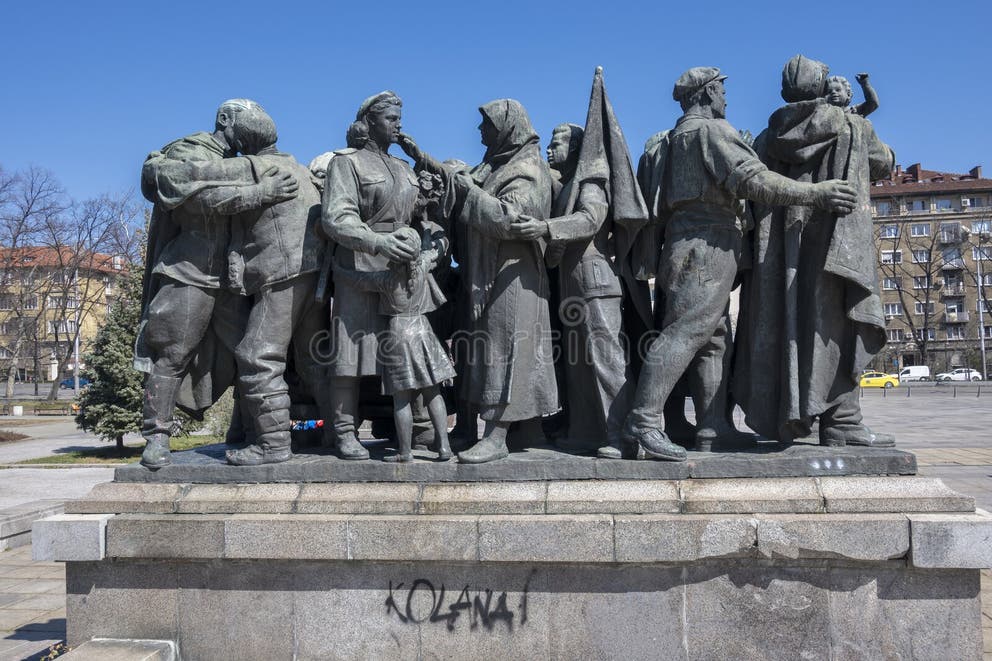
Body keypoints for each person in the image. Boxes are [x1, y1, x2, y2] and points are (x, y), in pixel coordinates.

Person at [622, 67, 858, 461]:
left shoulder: (674, 137)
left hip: (695, 242)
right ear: (707, 92)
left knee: (713, 340)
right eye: (721, 90)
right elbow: (755, 180)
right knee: (685, 334)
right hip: (706, 242)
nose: (726, 99)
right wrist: (815, 193)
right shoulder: (710, 132)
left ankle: (714, 427)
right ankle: (643, 424)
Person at [733, 55, 896, 447]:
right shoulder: (852, 127)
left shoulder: (764, 139)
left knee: (780, 325)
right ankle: (842, 421)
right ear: (823, 88)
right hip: (833, 246)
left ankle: (781, 416)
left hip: (778, 252)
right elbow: (883, 163)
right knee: (834, 325)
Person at [135, 99, 298, 468]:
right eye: (247, 124)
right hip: (191, 268)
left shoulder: (247, 161)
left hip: (233, 275)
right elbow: (193, 199)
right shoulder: (190, 150)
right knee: (173, 354)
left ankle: (249, 433)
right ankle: (156, 436)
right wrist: (258, 193)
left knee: (250, 354)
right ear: (225, 120)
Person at [399, 99, 558, 464]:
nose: (479, 131)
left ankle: (497, 436)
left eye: (486, 124)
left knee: (508, 350)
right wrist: (422, 157)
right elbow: (462, 183)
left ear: (506, 128)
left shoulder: (528, 168)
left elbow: (512, 217)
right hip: (491, 271)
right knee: (492, 349)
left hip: (514, 274)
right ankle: (527, 429)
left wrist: (465, 189)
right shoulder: (495, 165)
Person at [511, 68, 650, 459]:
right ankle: (587, 430)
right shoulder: (564, 185)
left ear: (578, 147)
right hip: (571, 283)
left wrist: (544, 226)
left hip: (594, 280)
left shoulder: (590, 182)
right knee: (577, 365)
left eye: (558, 142)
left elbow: (589, 220)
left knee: (606, 360)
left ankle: (622, 434)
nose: (551, 149)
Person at [321, 91, 444, 460]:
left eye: (399, 118)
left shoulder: (405, 168)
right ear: (369, 122)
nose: (398, 124)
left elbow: (422, 221)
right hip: (359, 265)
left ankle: (419, 429)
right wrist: (377, 242)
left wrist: (431, 249)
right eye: (390, 118)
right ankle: (344, 431)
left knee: (409, 352)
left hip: (402, 273)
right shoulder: (347, 163)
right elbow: (336, 218)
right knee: (351, 353)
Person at [216, 106, 329, 465]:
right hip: (313, 277)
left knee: (257, 356)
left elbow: (211, 195)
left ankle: (274, 444)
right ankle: (340, 433)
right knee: (314, 361)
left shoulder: (252, 168)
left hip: (282, 275)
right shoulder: (298, 167)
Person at [333, 226, 455, 462]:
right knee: (433, 392)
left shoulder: (386, 279)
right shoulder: (423, 264)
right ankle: (444, 448)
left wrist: (337, 268)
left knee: (401, 399)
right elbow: (437, 249)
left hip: (398, 333)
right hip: (423, 332)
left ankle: (405, 452)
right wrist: (431, 233)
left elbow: (356, 280)